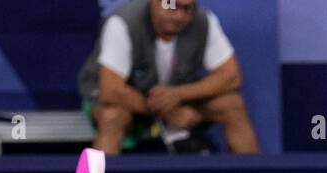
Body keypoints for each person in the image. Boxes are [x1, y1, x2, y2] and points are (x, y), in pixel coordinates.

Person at [78, 0, 259, 155]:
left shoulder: (203, 21)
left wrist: (179, 95)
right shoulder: (123, 22)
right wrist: (167, 114)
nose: (179, 15)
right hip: (130, 102)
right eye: (170, 5)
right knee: (112, 116)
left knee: (232, 104)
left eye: (187, 8)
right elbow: (111, 90)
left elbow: (231, 76)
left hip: (177, 99)